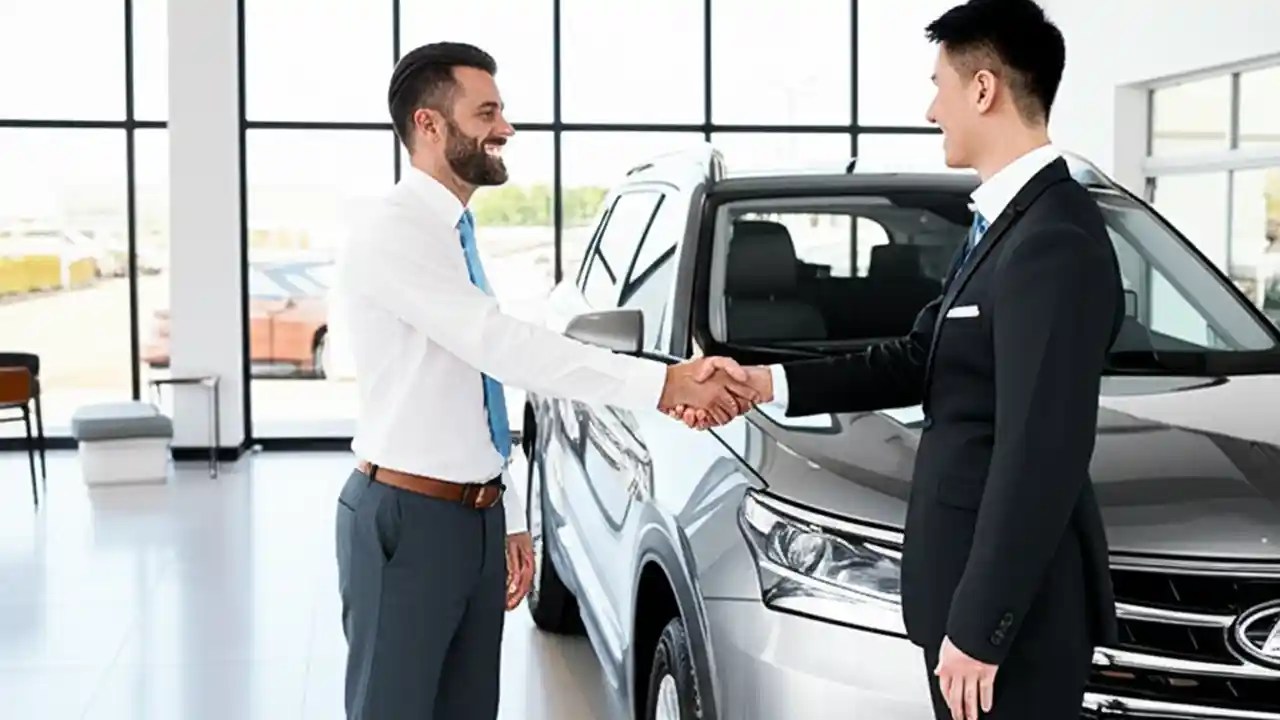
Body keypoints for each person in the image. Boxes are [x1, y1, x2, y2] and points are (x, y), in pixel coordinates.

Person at [678, 1, 1123, 718]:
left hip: (1014, 625)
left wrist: (981, 626)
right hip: (968, 602)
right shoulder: (1007, 224)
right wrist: (765, 380)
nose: (930, 110)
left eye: (939, 86)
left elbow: (1040, 451)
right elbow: (922, 357)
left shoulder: (1053, 241)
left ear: (983, 89)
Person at [333, 41, 757, 720]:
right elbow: (502, 348)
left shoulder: (452, 232)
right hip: (408, 521)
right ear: (429, 124)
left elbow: (475, 391)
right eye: (488, 112)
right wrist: (665, 383)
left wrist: (505, 512)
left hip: (467, 516)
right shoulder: (394, 231)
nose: (505, 128)